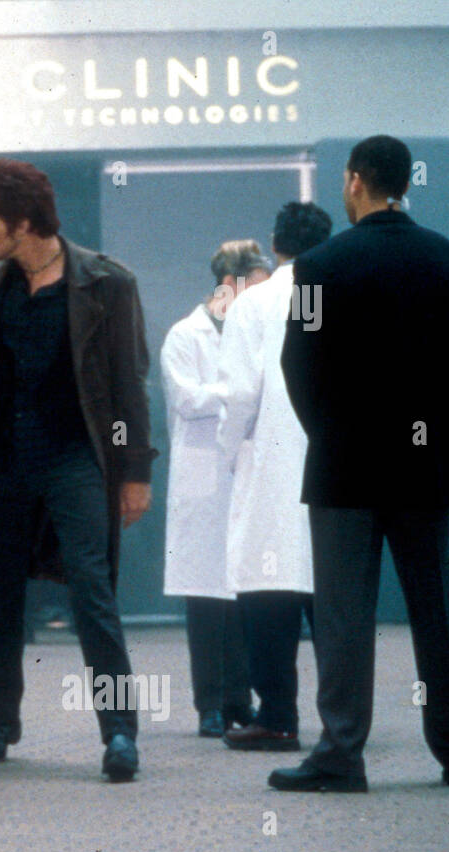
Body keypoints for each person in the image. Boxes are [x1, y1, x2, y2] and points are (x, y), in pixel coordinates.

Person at [0, 158, 156, 780]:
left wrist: (136, 471)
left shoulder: (107, 282)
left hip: (74, 457)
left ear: (21, 223)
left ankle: (119, 732)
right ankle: (1, 719)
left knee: (91, 589)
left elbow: (129, 384)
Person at [276, 134, 449, 792]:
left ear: (356, 180)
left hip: (344, 468)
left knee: (343, 615)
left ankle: (341, 753)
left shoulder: (316, 268)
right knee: (440, 616)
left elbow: (296, 363)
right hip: (429, 466)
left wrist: (327, 432)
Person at [217, 205, 331, 753]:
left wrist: (228, 454)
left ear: (274, 243)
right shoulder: (341, 294)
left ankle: (279, 717)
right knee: (331, 597)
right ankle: (343, 721)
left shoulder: (255, 303)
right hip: (336, 463)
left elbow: (239, 394)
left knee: (267, 594)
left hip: (270, 465)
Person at [161, 241, 268, 737]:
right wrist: (236, 395)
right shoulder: (185, 335)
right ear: (232, 285)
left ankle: (241, 700)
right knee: (205, 597)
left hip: (244, 468)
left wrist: (232, 397)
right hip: (202, 476)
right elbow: (188, 398)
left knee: (244, 593)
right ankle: (209, 703)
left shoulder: (254, 333)